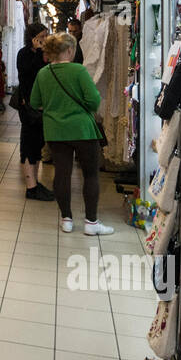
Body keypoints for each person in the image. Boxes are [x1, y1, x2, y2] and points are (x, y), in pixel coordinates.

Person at [29, 32, 112, 235]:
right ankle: (91, 222)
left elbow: (34, 102)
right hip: (83, 130)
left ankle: (66, 219)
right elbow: (93, 101)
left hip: (56, 131)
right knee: (90, 174)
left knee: (61, 174)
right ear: (68, 50)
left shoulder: (43, 73)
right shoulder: (78, 71)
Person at [16, 22, 55, 201]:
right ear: (33, 38)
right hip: (29, 106)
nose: (45, 39)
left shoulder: (45, 55)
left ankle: (35, 183)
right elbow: (31, 72)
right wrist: (38, 51)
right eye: (42, 36)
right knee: (29, 145)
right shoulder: (24, 54)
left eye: (46, 35)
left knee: (38, 144)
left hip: (42, 105)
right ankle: (31, 187)